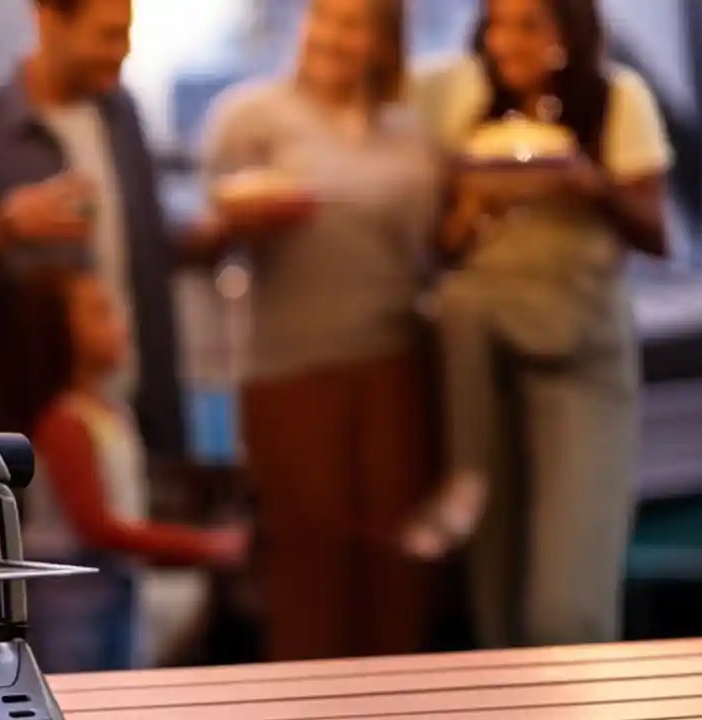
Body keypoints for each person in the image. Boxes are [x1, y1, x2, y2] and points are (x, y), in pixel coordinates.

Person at [413, 0, 672, 647]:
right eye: (499, 25)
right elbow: (442, 250)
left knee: (564, 608)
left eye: (529, 24)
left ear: (568, 32)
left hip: (580, 356)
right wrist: (472, 208)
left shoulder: (617, 100)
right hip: (486, 364)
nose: (509, 42)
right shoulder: (468, 108)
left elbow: (657, 233)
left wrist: (590, 184)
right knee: (492, 585)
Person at [201, 0, 440, 661]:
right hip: (291, 367)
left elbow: (432, 247)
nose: (332, 35)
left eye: (353, 22)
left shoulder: (408, 130)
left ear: (384, 42)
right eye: (323, 16)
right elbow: (203, 238)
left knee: (396, 560)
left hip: (396, 363)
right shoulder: (252, 116)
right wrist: (237, 224)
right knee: (308, 562)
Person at [0, 0, 191, 458]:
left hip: (135, 415)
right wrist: (0, 229)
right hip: (36, 437)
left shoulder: (121, 113)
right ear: (48, 19)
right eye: (108, 36)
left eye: (127, 34)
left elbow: (148, 246)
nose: (123, 52)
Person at [10, 268, 246, 673]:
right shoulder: (64, 422)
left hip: (113, 585)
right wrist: (204, 546)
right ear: (59, 329)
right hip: (72, 594)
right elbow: (97, 527)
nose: (120, 325)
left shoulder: (112, 412)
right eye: (100, 313)